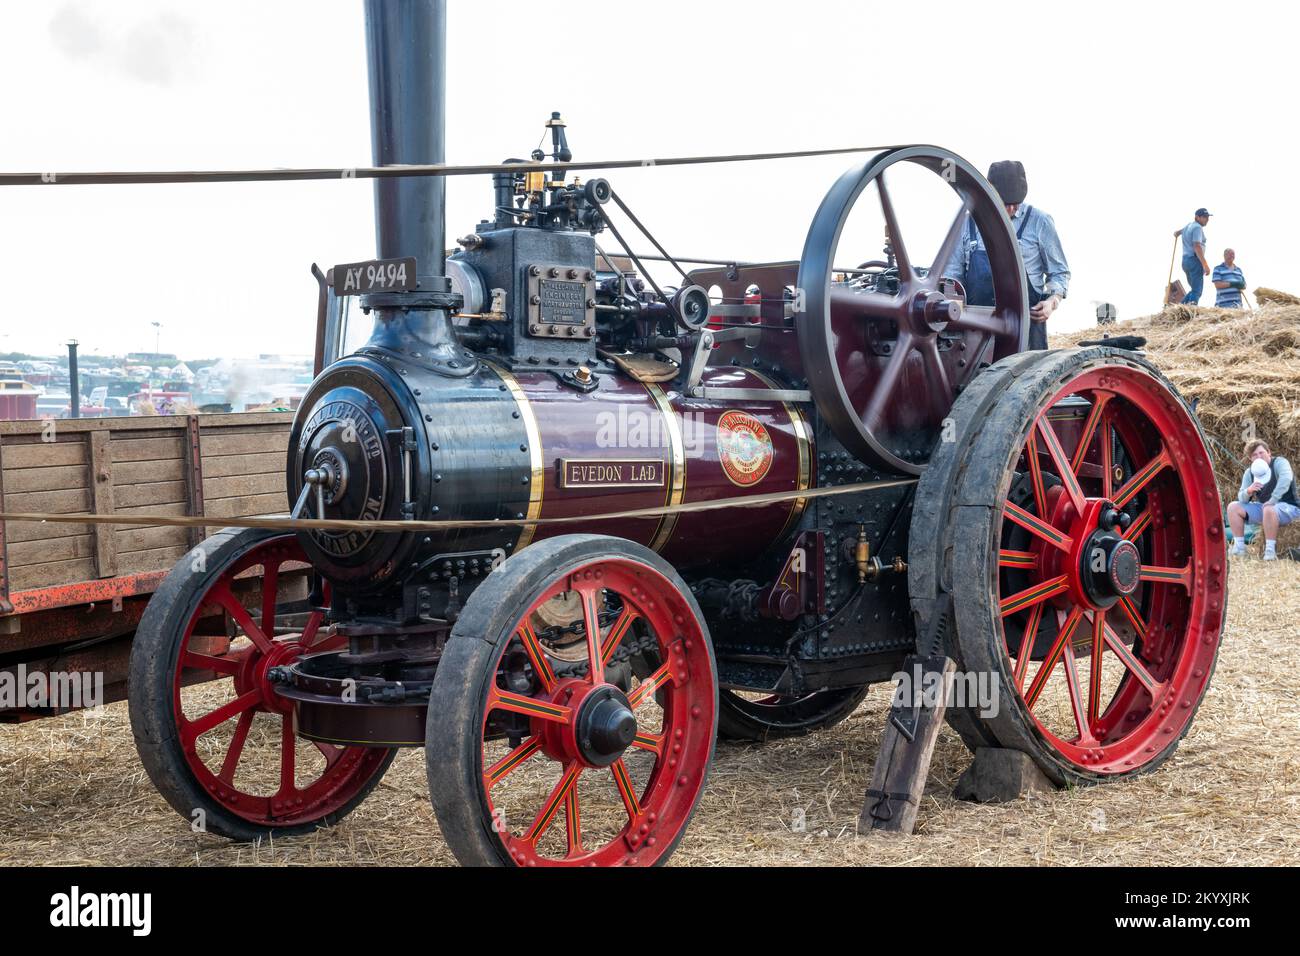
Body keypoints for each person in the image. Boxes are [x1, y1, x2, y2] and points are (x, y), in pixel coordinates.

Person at [944, 160, 1070, 350]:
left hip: (1026, 332)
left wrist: (1052, 302)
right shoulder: (967, 225)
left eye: (1015, 203)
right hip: (976, 333)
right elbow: (952, 275)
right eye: (1005, 203)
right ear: (989, 194)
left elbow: (1059, 272)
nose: (1010, 209)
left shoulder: (1039, 222)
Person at [1227, 439, 1299, 560]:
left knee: (1268, 508)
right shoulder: (1250, 472)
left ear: (1269, 452)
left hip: (1289, 508)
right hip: (1266, 509)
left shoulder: (1279, 463)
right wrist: (1248, 491)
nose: (1259, 457)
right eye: (1254, 455)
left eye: (1261, 453)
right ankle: (1239, 548)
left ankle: (1270, 552)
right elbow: (1242, 498)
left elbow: (1286, 479)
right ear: (1251, 459)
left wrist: (1273, 500)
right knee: (1233, 507)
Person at [1175, 208, 1211, 304]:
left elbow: (1180, 231)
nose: (1207, 219)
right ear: (1197, 217)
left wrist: (1177, 233)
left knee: (1194, 289)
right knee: (1197, 291)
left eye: (1207, 217)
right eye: (1204, 217)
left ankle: (1180, 307)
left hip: (1185, 261)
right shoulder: (1197, 228)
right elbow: (1197, 246)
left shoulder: (1189, 226)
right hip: (1194, 260)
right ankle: (1191, 309)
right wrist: (1205, 264)